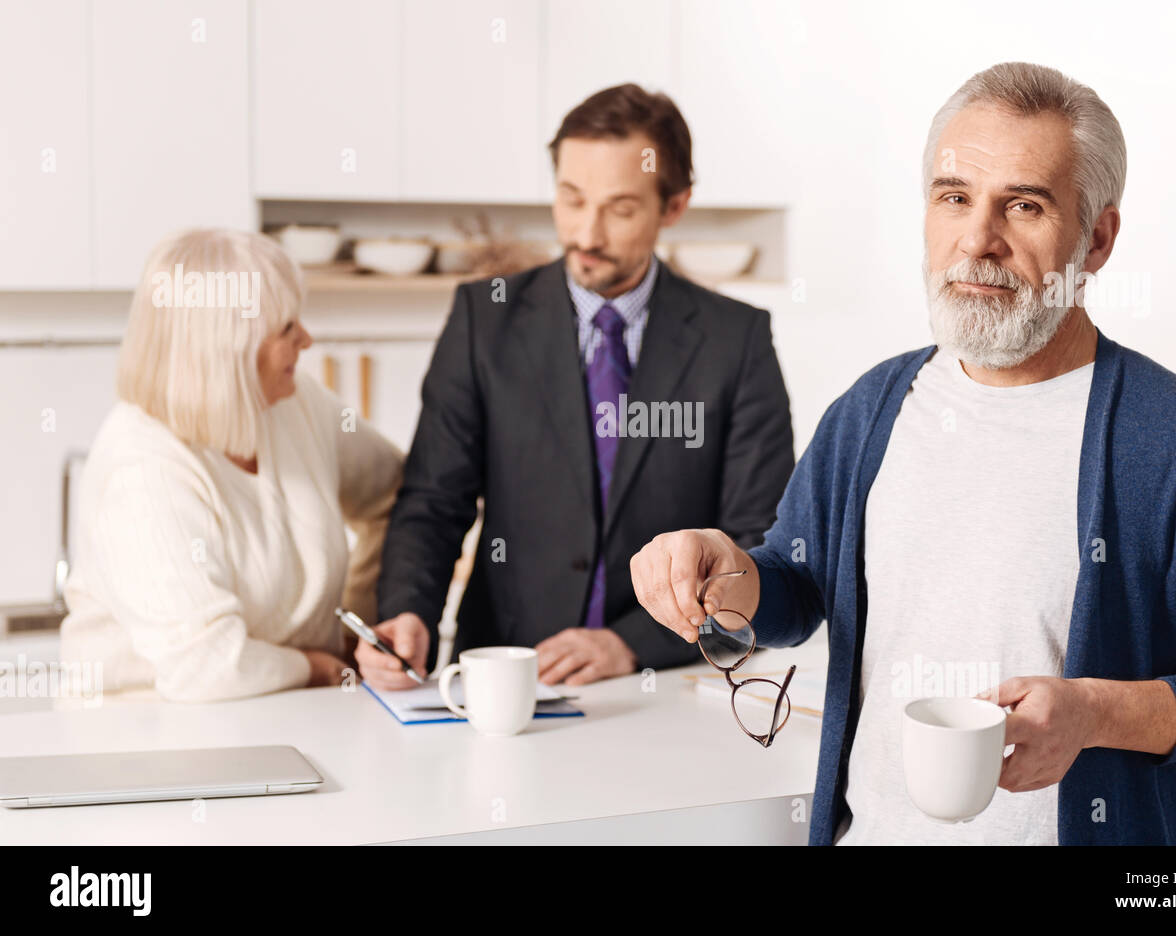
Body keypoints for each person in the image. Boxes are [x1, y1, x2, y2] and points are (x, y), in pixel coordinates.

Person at [630, 62, 1176, 845]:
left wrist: (1094, 714)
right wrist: (722, 569)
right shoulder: (873, 409)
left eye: (1024, 205)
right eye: (955, 198)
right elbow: (796, 584)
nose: (978, 240)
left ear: (1099, 238)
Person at [360, 84, 794, 690]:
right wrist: (408, 613)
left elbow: (757, 538)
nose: (586, 234)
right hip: (504, 676)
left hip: (662, 678)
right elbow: (434, 500)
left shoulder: (737, 339)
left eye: (619, 209)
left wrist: (630, 644)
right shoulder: (484, 319)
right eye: (571, 199)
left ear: (673, 206)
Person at [60, 229, 404, 702]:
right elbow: (203, 666)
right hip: (147, 741)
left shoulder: (297, 405)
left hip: (295, 716)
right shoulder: (142, 468)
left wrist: (358, 626)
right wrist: (316, 666)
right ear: (230, 351)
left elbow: (397, 490)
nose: (307, 338)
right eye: (287, 328)